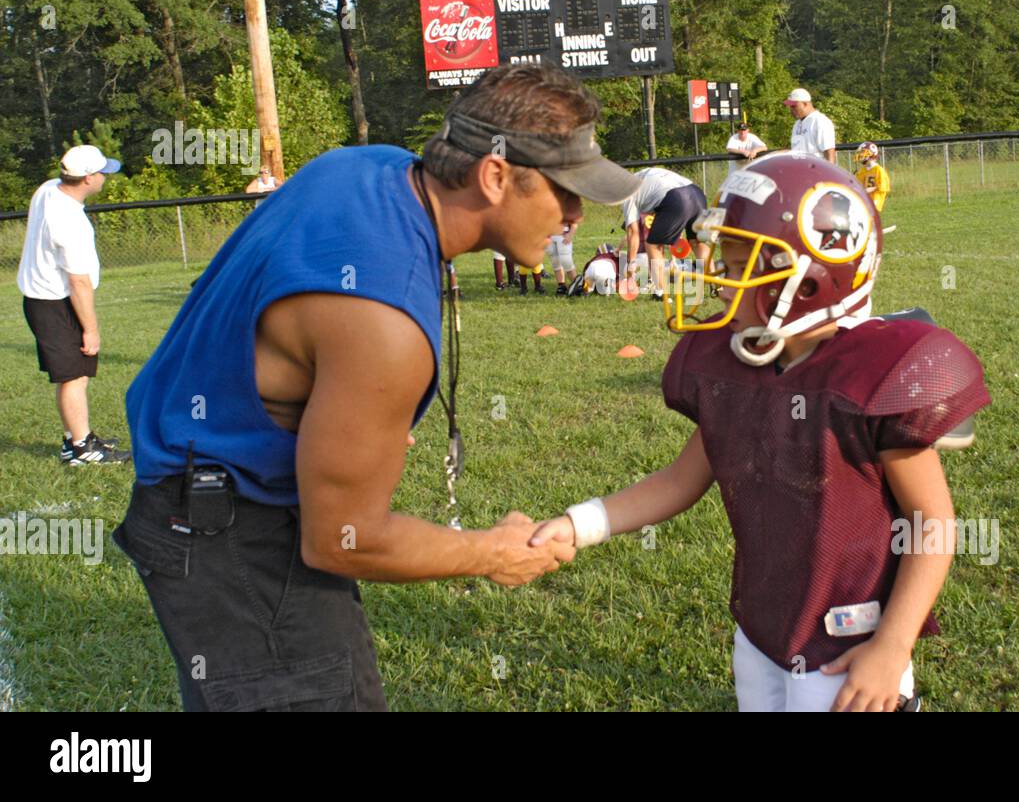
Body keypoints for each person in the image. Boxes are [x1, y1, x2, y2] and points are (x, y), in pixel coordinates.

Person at [112, 62, 639, 711]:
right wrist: (490, 553)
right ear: (495, 175)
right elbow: (341, 537)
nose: (577, 215)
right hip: (233, 534)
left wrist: (335, 404)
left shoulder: (366, 168)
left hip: (197, 489)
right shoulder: (381, 322)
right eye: (565, 192)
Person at [530, 155, 990, 712]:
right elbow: (682, 479)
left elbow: (932, 522)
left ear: (814, 275)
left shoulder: (875, 374)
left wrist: (893, 645)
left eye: (737, 264)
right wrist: (579, 524)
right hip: (761, 629)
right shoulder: (736, 363)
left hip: (850, 637)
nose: (719, 280)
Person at [17, 144, 129, 466]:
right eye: (102, 173)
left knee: (73, 375)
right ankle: (82, 449)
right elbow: (79, 282)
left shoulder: (48, 188)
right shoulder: (69, 221)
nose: (105, 177)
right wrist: (91, 330)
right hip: (55, 301)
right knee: (73, 376)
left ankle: (75, 438)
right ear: (88, 179)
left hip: (45, 298)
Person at [620, 166, 708, 299]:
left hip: (676, 198)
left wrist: (631, 263)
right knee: (698, 242)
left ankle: (660, 293)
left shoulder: (626, 193)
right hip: (697, 193)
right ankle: (718, 283)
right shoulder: (642, 175)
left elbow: (633, 232)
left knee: (653, 245)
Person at [784, 88, 836, 163]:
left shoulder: (820, 121)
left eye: (794, 106)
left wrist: (830, 173)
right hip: (800, 169)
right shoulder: (797, 124)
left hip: (816, 170)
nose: (791, 109)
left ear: (805, 104)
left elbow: (829, 152)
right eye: (790, 106)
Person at [853, 141, 891, 214]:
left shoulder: (878, 170)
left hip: (876, 197)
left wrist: (870, 189)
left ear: (871, 153)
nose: (860, 154)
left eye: (863, 152)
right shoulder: (863, 170)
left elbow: (883, 187)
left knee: (869, 213)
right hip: (866, 197)